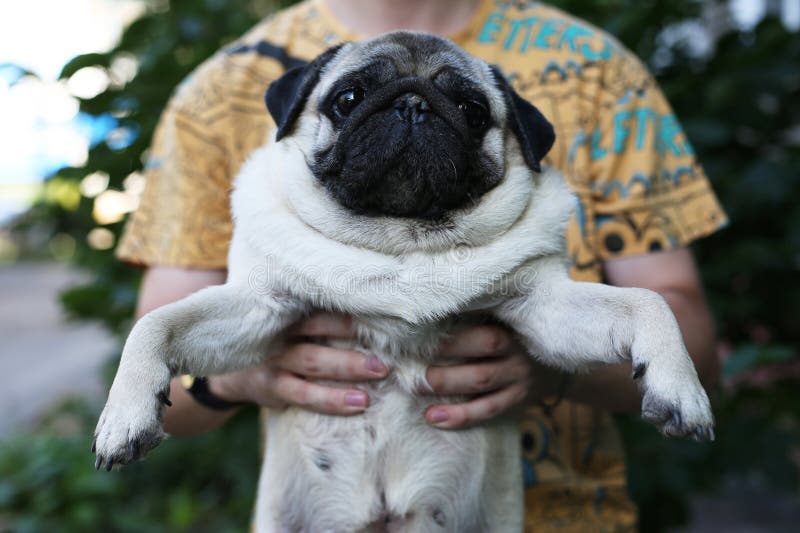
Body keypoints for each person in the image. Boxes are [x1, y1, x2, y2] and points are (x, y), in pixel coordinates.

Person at [116, 0, 727, 529]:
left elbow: (694, 354)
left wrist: (550, 370)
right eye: (354, 100)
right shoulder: (221, 92)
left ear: (521, 141)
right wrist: (240, 375)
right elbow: (163, 372)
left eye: (462, 112)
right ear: (294, 114)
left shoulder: (597, 71)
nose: (412, 115)